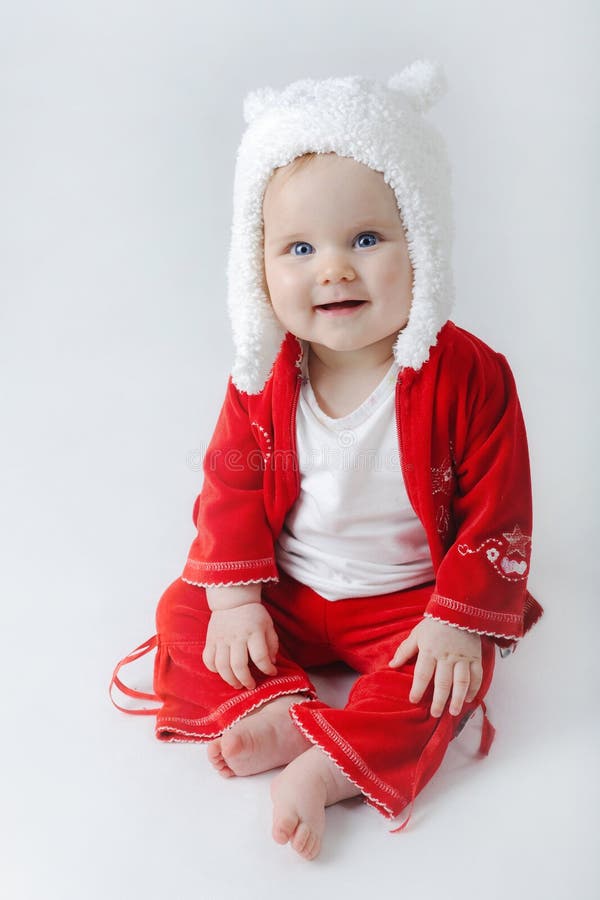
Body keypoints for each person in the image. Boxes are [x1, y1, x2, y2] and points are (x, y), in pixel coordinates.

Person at [110, 60, 544, 861]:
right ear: (260, 269)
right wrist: (238, 600)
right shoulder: (262, 379)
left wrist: (457, 617)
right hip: (293, 590)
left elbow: (499, 506)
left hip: (407, 603)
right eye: (299, 247)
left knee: (451, 677)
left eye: (367, 239)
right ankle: (275, 705)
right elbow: (230, 486)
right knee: (188, 610)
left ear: (425, 242)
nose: (333, 268)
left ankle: (324, 767)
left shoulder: (468, 375)